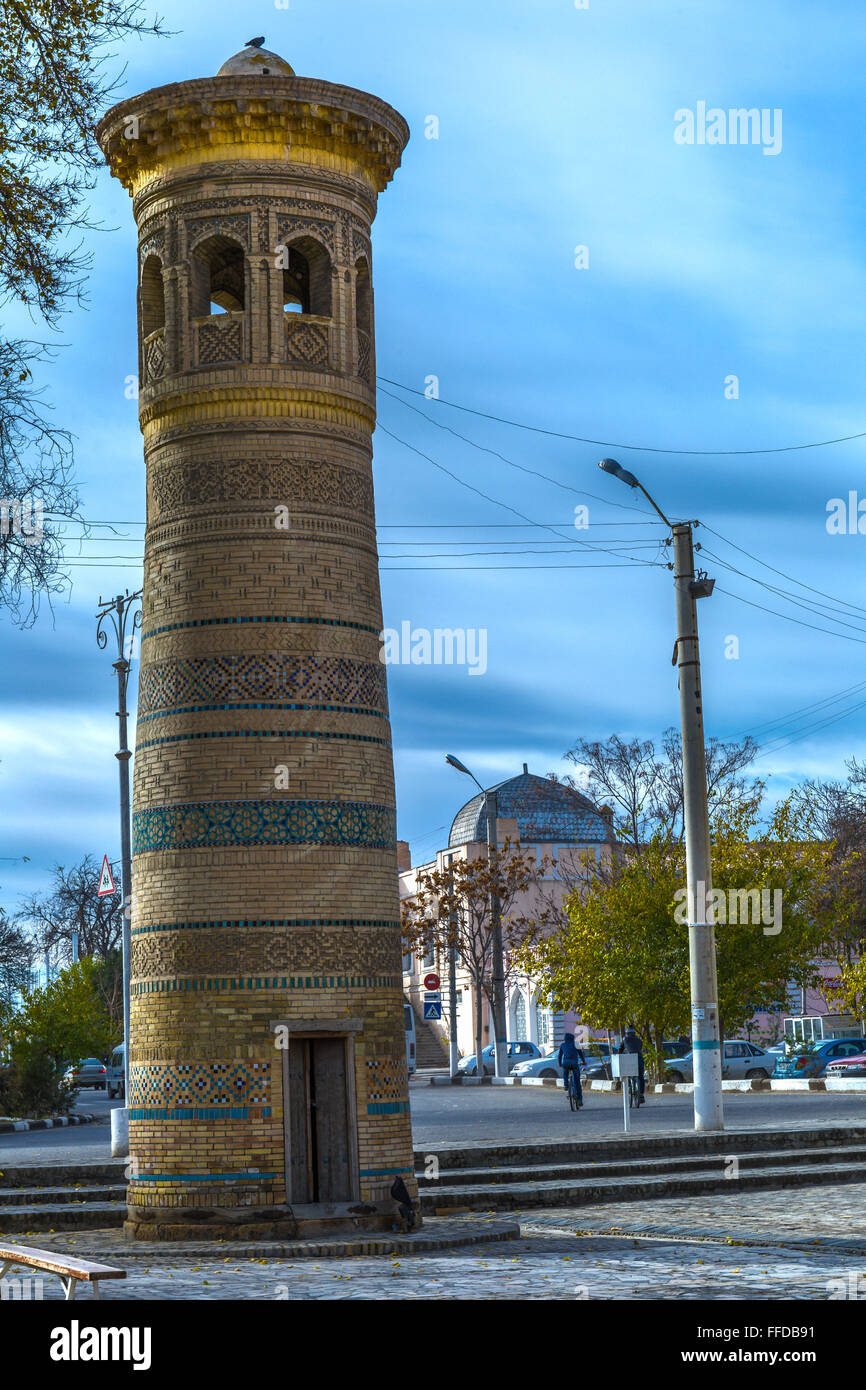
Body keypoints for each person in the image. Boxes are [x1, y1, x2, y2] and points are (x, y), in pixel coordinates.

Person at [558, 1031, 587, 1106]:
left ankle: (566, 1085)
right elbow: (580, 1054)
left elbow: (560, 1055)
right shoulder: (576, 1044)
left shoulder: (562, 1045)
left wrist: (560, 1063)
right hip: (574, 1064)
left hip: (566, 1063)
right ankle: (580, 1100)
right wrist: (584, 1061)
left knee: (565, 1073)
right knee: (577, 1083)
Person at [619, 1024, 645, 1104]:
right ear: (634, 1033)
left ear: (627, 1033)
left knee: (630, 1074)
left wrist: (619, 1054)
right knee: (641, 1076)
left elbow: (620, 1049)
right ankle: (641, 1094)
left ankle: (631, 1085)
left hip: (630, 1059)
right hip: (639, 1058)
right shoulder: (639, 1039)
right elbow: (640, 1047)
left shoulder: (625, 1039)